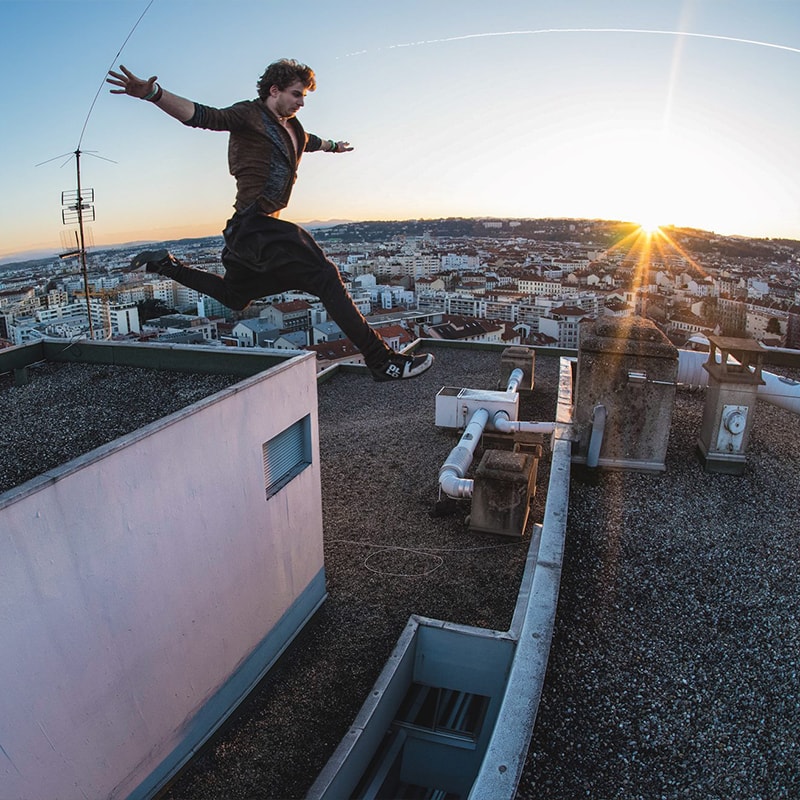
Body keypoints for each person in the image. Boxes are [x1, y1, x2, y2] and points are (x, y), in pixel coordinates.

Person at [106, 59, 433, 381]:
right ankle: (382, 360)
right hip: (255, 224)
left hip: (246, 232)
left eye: (304, 96)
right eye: (296, 94)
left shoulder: (295, 128)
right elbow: (204, 116)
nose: (302, 102)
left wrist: (335, 146)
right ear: (274, 90)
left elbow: (312, 142)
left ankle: (166, 266)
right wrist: (153, 94)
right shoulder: (249, 115)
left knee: (236, 297)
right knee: (325, 276)